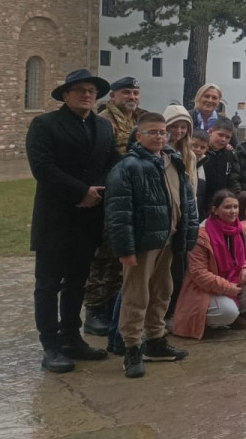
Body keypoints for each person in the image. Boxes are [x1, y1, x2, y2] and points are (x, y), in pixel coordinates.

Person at [26, 69, 118, 373]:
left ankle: (71, 338)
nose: (87, 95)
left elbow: (111, 163)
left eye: (91, 90)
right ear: (65, 95)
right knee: (48, 284)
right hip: (56, 217)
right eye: (79, 90)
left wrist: (97, 191)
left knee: (77, 282)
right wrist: (81, 191)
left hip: (88, 218)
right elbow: (43, 167)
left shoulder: (103, 127)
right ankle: (50, 345)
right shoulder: (45, 125)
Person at [105, 111, 197, 377]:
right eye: (153, 132)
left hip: (168, 238)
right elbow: (119, 213)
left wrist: (187, 234)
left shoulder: (173, 161)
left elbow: (187, 200)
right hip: (144, 243)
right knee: (136, 295)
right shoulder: (128, 167)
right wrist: (126, 249)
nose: (159, 137)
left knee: (162, 291)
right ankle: (132, 346)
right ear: (139, 136)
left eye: (162, 132)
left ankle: (155, 340)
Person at [83, 76, 145, 336]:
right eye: (126, 93)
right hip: (109, 195)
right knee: (102, 256)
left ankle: (112, 307)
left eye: (135, 93)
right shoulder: (104, 121)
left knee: (121, 255)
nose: (131, 97)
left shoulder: (138, 120)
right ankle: (94, 311)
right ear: (113, 97)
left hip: (130, 195)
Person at [172, 191, 246, 339]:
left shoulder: (242, 228)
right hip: (205, 289)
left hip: (234, 281)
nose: (233, 211)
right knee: (227, 312)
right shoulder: (201, 234)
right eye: (228, 207)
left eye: (236, 207)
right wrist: (226, 287)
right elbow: (199, 273)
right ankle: (213, 321)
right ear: (215, 210)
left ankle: (236, 315)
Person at [162, 104, 196, 321]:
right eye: (175, 126)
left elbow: (192, 188)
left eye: (184, 127)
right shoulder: (160, 152)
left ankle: (174, 309)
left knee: (179, 267)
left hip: (183, 215)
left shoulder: (188, 154)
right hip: (166, 216)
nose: (180, 131)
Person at [198, 119, 241, 214]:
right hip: (201, 204)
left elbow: (232, 180)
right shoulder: (200, 153)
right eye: (220, 135)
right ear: (210, 132)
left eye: (227, 137)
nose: (223, 139)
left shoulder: (230, 154)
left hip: (221, 206)